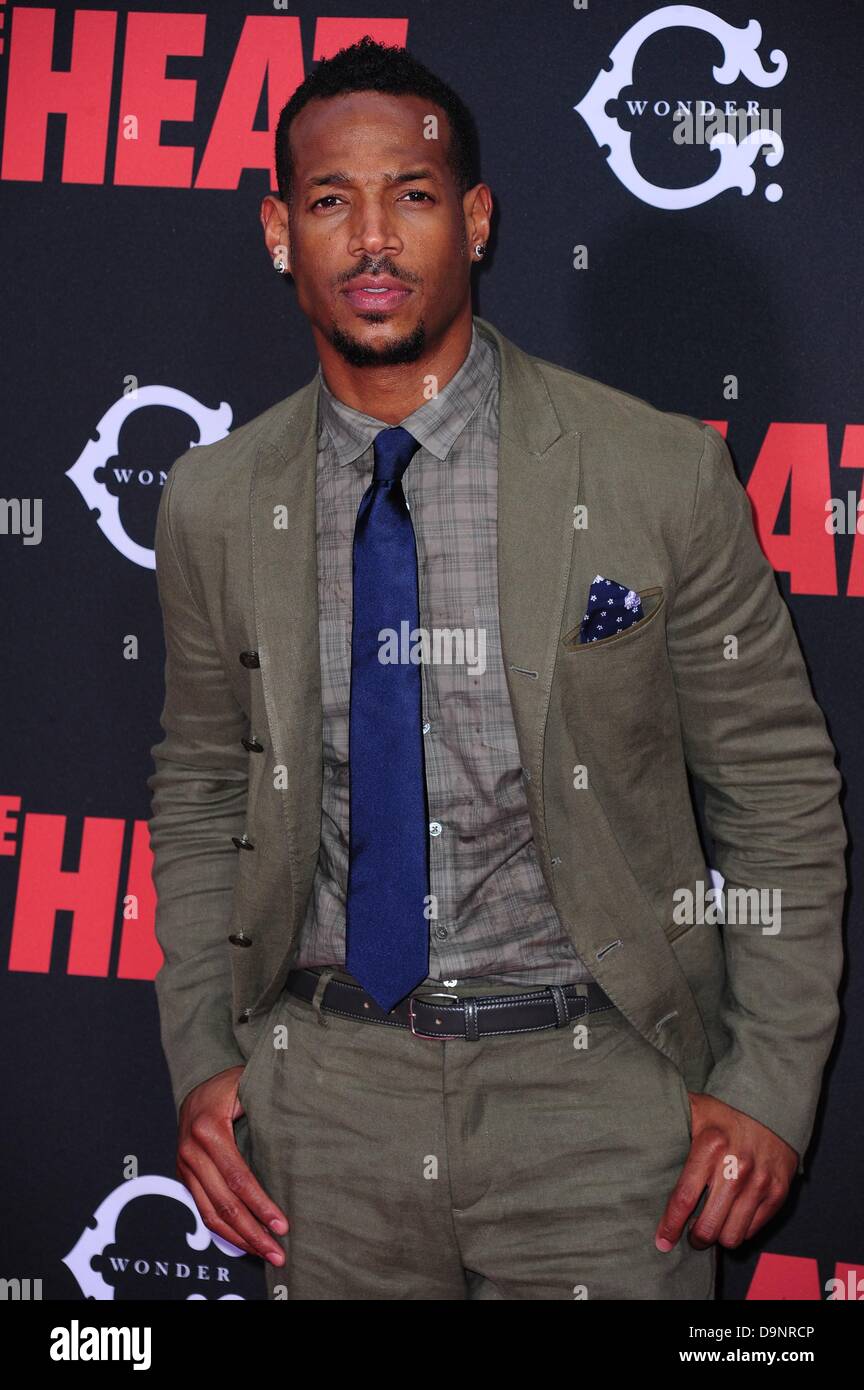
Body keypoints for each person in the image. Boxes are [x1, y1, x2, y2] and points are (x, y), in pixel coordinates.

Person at [147, 37, 847, 1301]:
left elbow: (778, 793)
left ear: (473, 221)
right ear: (279, 232)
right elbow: (200, 791)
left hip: (603, 1108)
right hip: (326, 1112)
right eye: (330, 200)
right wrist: (204, 1053)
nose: (373, 239)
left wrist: (768, 1083)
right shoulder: (211, 501)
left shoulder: (654, 472)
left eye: (411, 196)